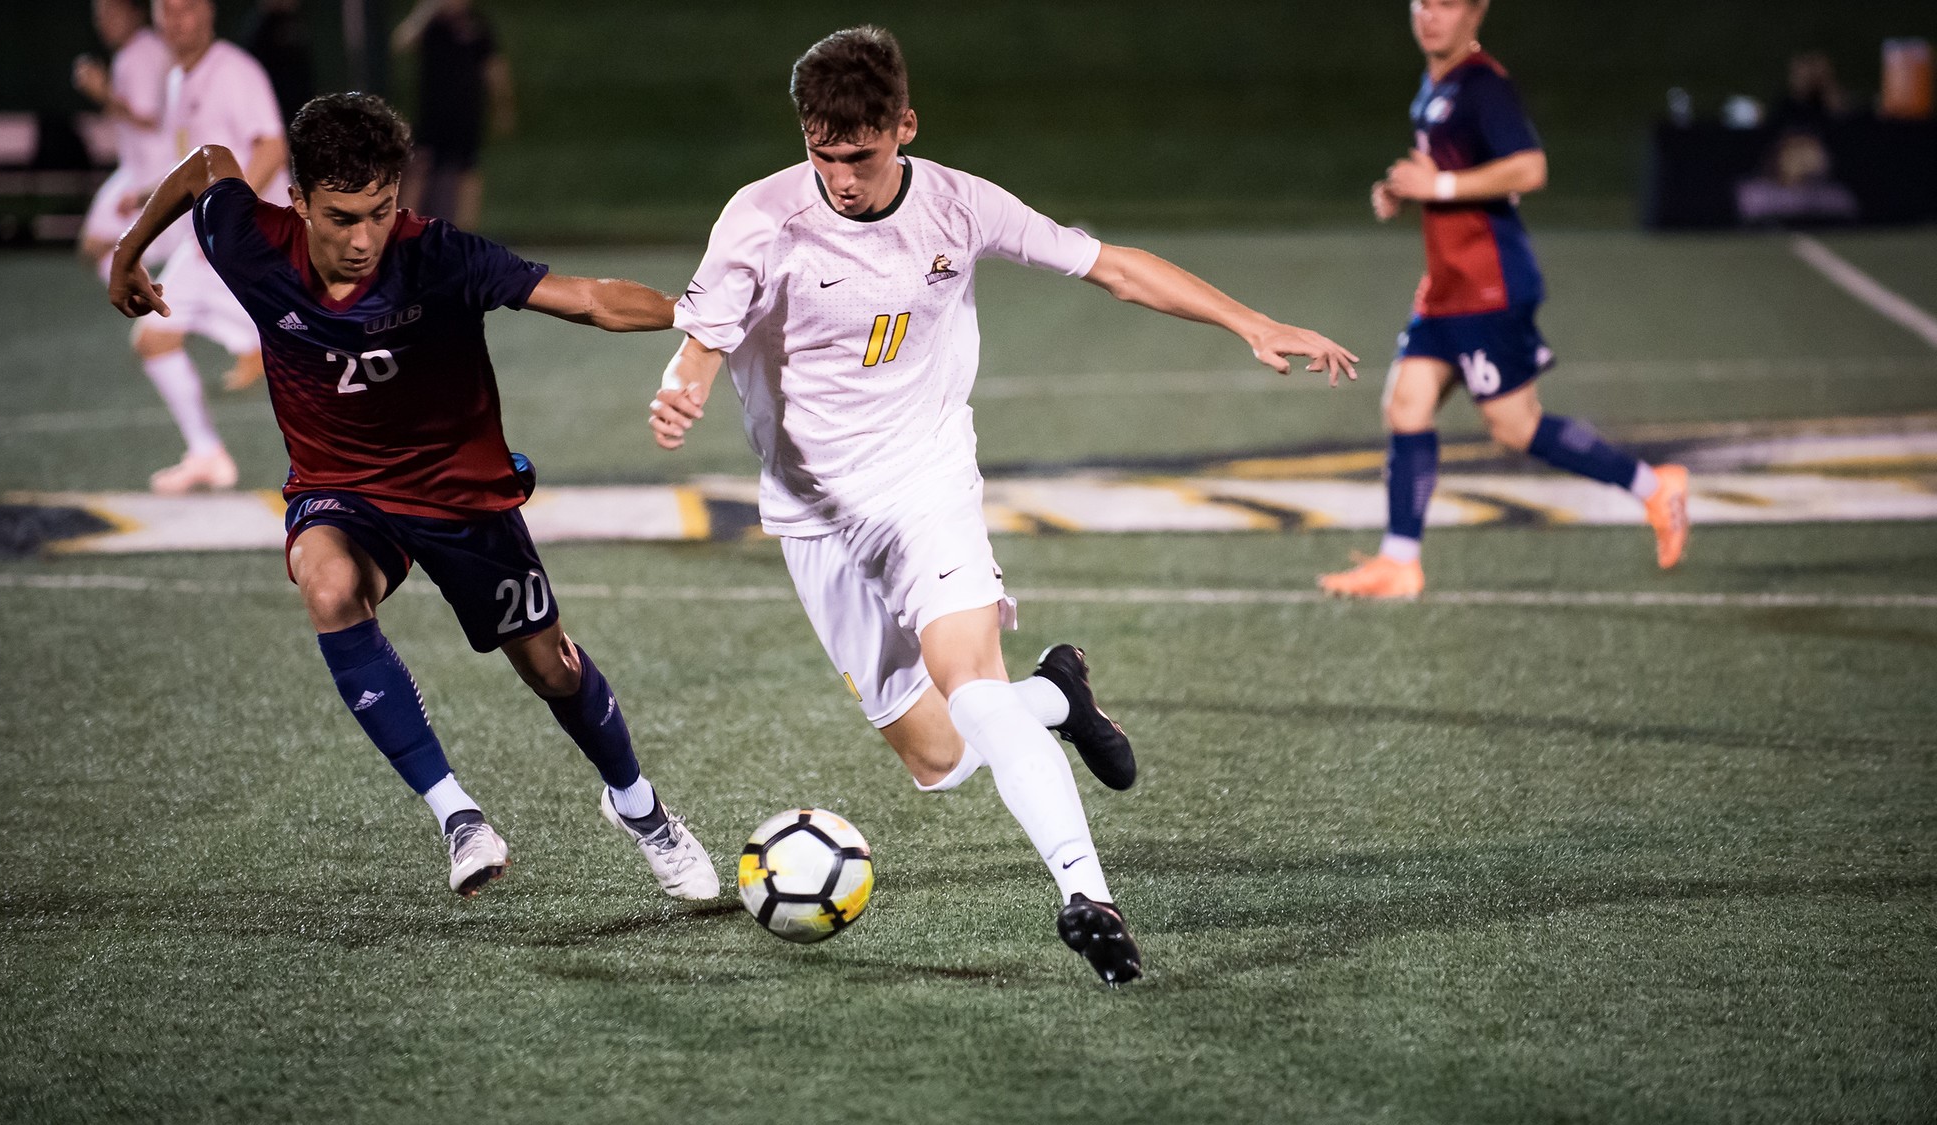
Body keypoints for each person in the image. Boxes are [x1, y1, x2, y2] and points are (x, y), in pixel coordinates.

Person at [648, 27, 1358, 984]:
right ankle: (1058, 692)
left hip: (927, 481)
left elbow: (1111, 265)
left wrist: (1252, 322)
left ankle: (1086, 895)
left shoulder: (958, 205)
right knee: (938, 759)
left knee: (973, 685)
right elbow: (704, 333)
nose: (843, 178)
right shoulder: (760, 217)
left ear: (904, 125)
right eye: (824, 155)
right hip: (815, 517)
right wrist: (684, 383)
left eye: (861, 155)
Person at [106, 93, 718, 903]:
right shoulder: (251, 243)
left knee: (552, 666)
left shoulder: (440, 257)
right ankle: (458, 815)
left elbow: (587, 298)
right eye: (342, 217)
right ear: (299, 202)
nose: (364, 238)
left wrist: (704, 318)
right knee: (326, 585)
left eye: (382, 211)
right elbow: (209, 167)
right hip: (342, 489)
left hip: (461, 492)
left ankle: (640, 809)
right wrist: (127, 250)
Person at [1319, 0, 1689, 600]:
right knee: (1406, 404)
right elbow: (1456, 173)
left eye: (1445, 4)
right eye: (1421, 4)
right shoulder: (1433, 84)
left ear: (1476, 12)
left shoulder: (1484, 84)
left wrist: (1436, 185)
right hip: (1446, 287)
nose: (1429, 16)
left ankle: (1655, 486)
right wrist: (1407, 192)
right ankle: (1399, 562)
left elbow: (1530, 168)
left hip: (1490, 284)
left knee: (1516, 429)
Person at [132, 0, 285, 493]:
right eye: (166, 11)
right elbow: (193, 162)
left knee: (317, 345)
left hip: (250, 235)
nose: (177, 21)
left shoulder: (235, 71)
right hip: (212, 240)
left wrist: (231, 213)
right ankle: (206, 452)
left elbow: (271, 146)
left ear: (210, 13)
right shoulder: (180, 78)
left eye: (187, 9)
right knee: (155, 335)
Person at [73, 0, 177, 276]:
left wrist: (102, 92)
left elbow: (148, 117)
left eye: (111, 12)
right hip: (136, 169)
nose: (103, 21)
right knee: (98, 249)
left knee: (112, 253)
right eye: (99, 15)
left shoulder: (142, 53)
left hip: (155, 172)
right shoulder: (131, 53)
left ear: (135, 13)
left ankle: (163, 307)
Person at [391, 0, 515, 230]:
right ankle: (402, 231)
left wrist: (502, 107)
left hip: (467, 114)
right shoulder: (431, 23)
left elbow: (494, 66)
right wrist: (425, 10)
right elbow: (401, 42)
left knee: (468, 171)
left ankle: (464, 235)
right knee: (419, 168)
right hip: (433, 113)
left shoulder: (477, 23)